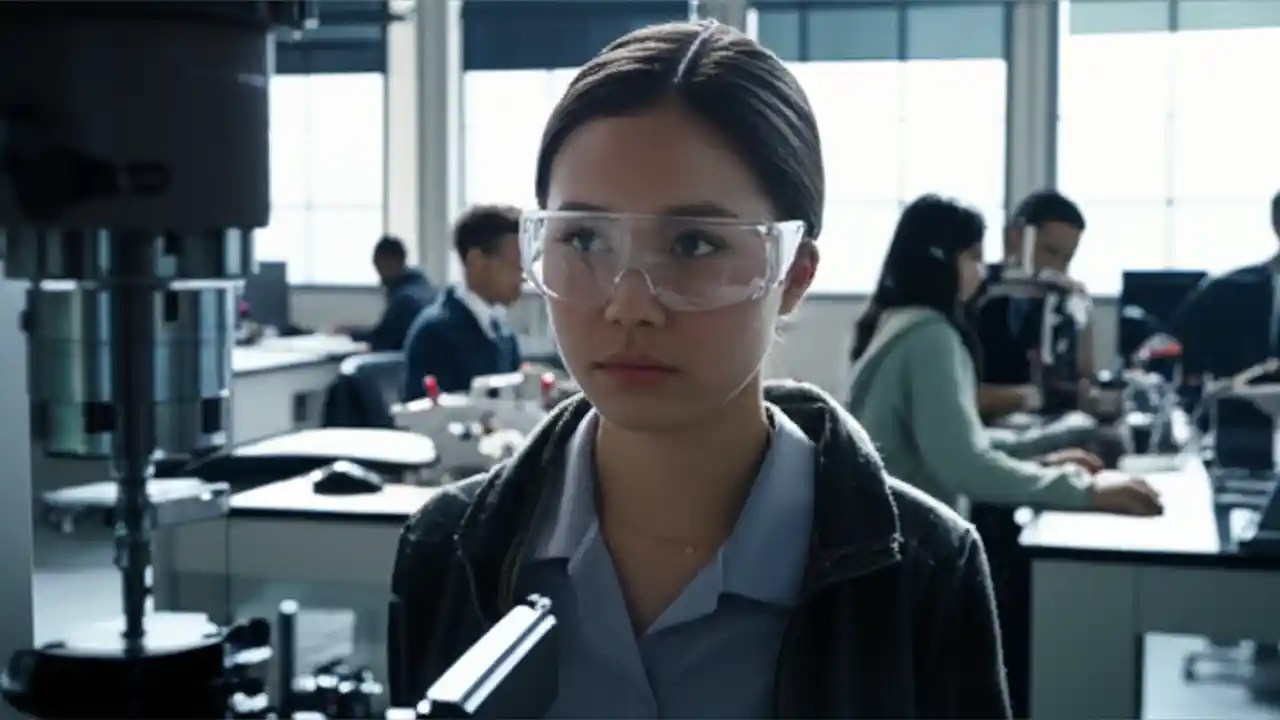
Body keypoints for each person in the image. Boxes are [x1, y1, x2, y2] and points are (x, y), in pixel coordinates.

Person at [391, 20, 1012, 718]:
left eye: (693, 244)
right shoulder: (449, 551)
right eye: (585, 238)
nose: (629, 305)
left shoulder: (924, 573)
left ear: (795, 274)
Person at [848, 194, 1161, 516]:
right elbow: (965, 466)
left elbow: (955, 443)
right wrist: (1086, 492)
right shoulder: (930, 336)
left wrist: (1040, 458)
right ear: (939, 259)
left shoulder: (899, 321)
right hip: (913, 541)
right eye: (973, 257)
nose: (980, 272)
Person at [972, 190, 1096, 421]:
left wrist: (1084, 322)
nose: (1056, 267)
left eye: (1066, 259)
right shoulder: (977, 294)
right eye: (1049, 252)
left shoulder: (1061, 306)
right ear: (1015, 239)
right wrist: (1028, 397)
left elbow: (1082, 381)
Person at [400, 205, 524, 400]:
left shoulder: (503, 332)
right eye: (516, 265)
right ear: (476, 261)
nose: (523, 277)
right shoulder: (435, 332)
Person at [338, 235, 435, 352]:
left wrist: (350, 334)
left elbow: (382, 339)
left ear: (391, 262)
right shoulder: (424, 287)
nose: (379, 275)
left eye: (379, 266)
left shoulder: (405, 298)